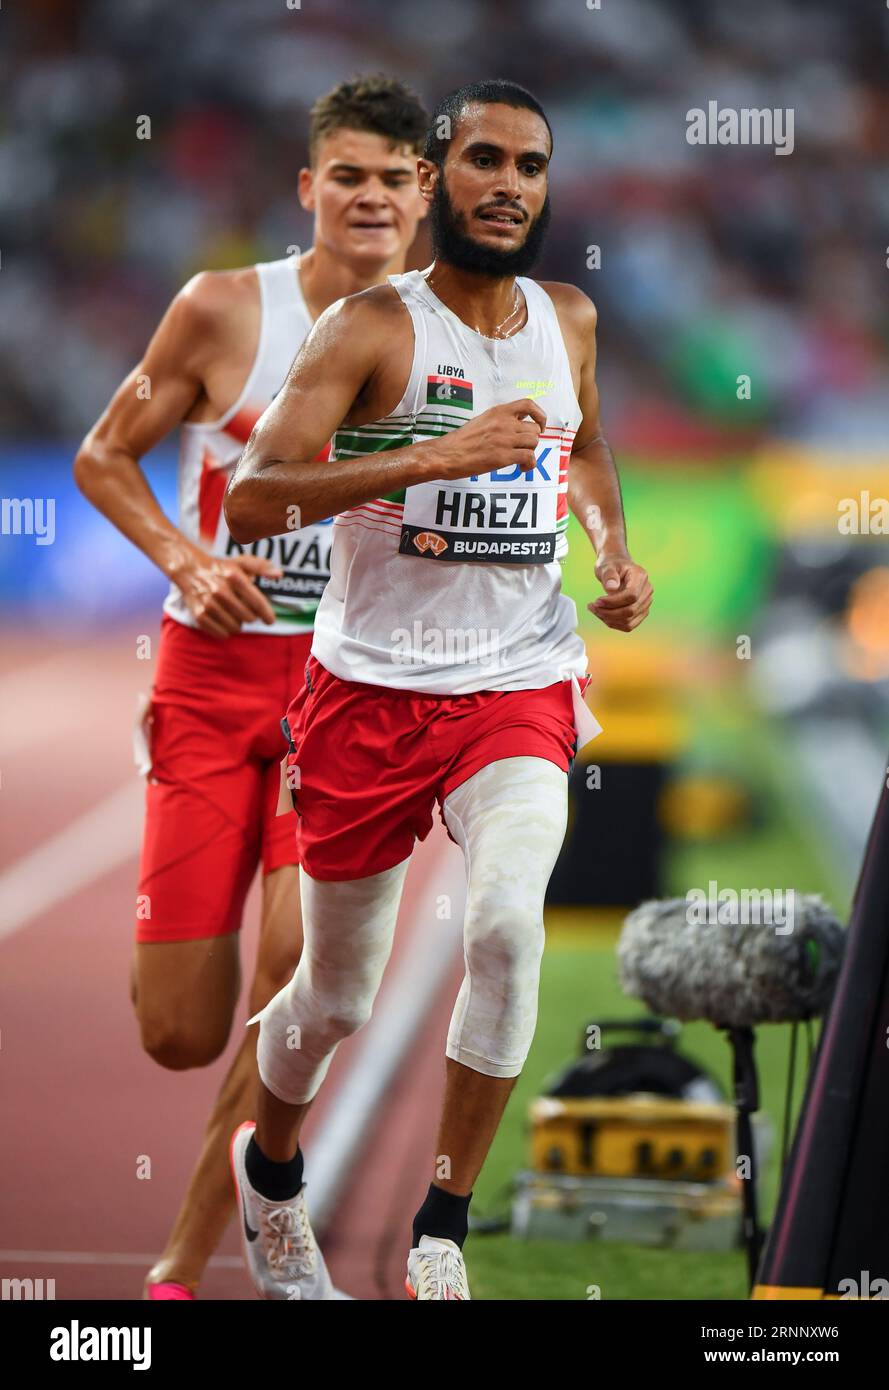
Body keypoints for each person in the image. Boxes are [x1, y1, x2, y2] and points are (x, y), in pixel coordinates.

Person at [224, 78, 653, 1301]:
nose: (508, 183)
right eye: (482, 160)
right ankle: (272, 1175)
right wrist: (434, 457)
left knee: (506, 926)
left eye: (529, 164)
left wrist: (608, 546)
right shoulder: (369, 325)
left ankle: (441, 1226)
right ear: (432, 180)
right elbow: (253, 497)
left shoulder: (567, 316)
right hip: (367, 693)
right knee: (337, 995)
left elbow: (589, 443)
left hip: (520, 680)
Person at [73, 74, 429, 1301]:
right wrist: (184, 556)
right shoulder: (223, 309)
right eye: (351, 175)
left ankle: (182, 1262)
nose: (372, 196)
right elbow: (101, 454)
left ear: (425, 193)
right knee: (179, 1028)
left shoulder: (454, 333)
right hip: (212, 674)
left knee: (298, 970)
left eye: (395, 176)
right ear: (309, 187)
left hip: (342, 683)